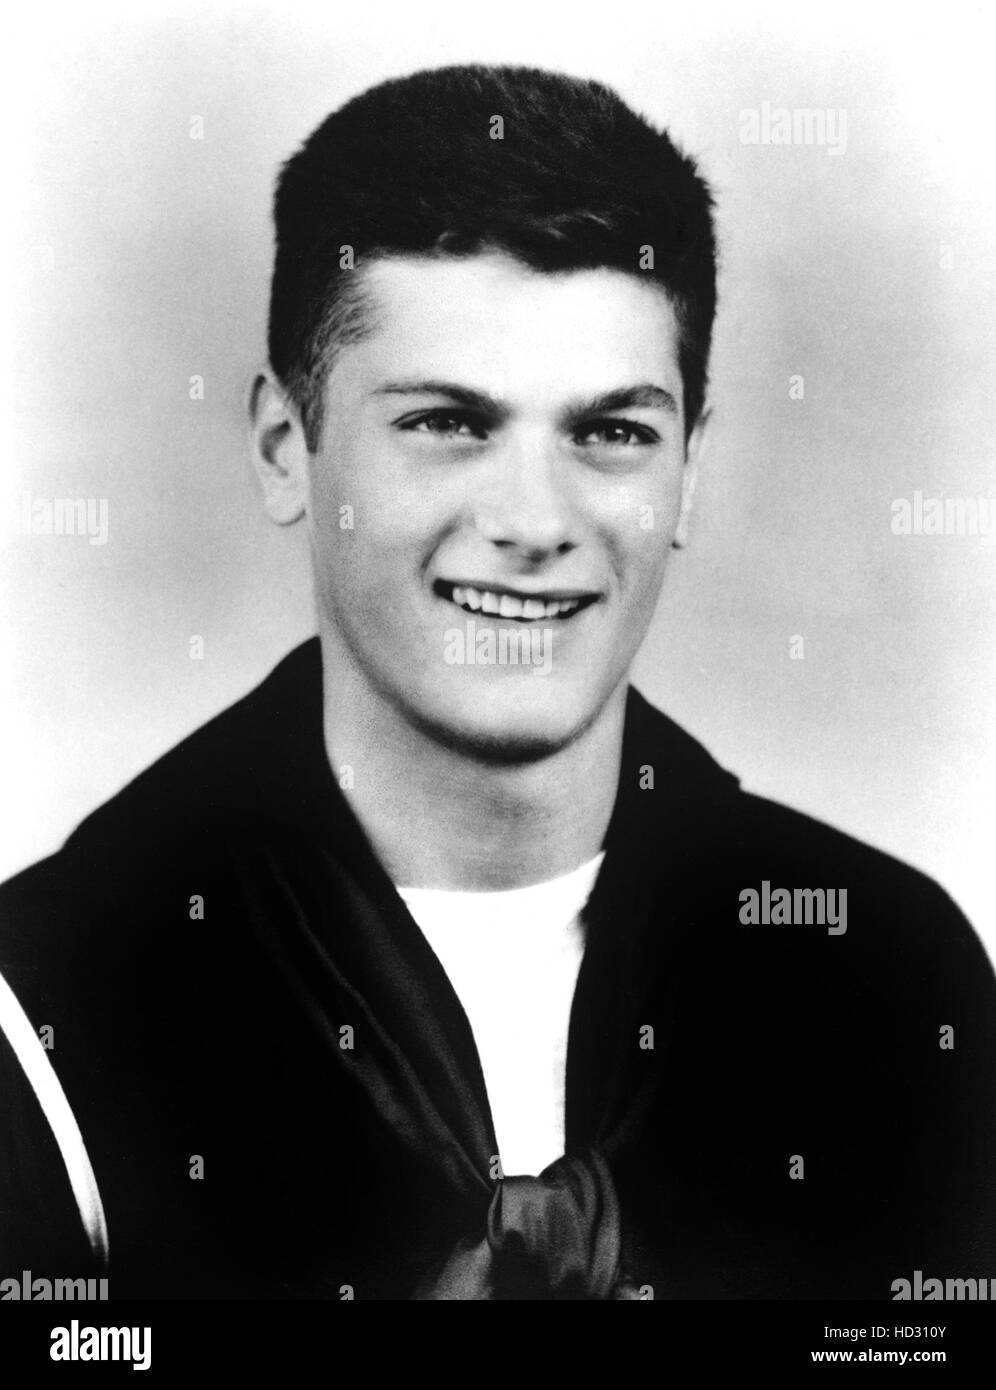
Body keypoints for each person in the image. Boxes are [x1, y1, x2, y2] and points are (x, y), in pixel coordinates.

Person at [0, 64, 993, 1301]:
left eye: (612, 431)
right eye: (449, 422)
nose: (535, 519)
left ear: (686, 475)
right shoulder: (52, 1003)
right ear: (282, 449)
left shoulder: (891, 979)